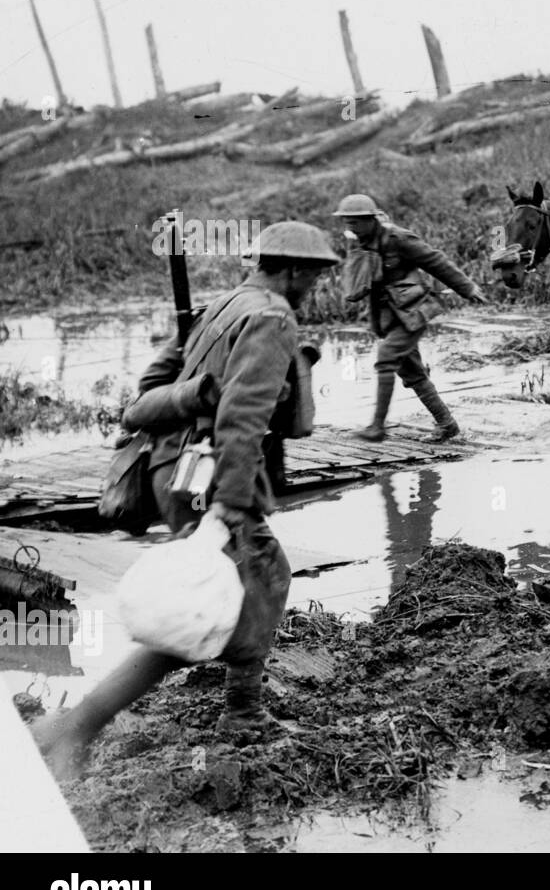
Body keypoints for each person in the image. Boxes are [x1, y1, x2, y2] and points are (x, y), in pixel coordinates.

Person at [31, 222, 341, 778]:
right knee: (226, 595)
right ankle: (78, 726)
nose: (313, 288)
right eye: (313, 277)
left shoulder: (221, 305)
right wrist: (231, 503)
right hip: (213, 477)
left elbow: (151, 386)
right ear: (293, 270)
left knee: (241, 588)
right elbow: (243, 416)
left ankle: (238, 711)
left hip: (174, 471)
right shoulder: (271, 316)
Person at [334, 193, 488, 442]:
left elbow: (435, 261)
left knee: (385, 360)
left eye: (355, 222)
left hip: (412, 313)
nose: (351, 227)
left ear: (371, 219)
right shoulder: (361, 244)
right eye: (346, 222)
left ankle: (377, 427)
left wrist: (467, 288)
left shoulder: (398, 238)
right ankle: (447, 424)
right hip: (388, 318)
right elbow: (357, 286)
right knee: (412, 373)